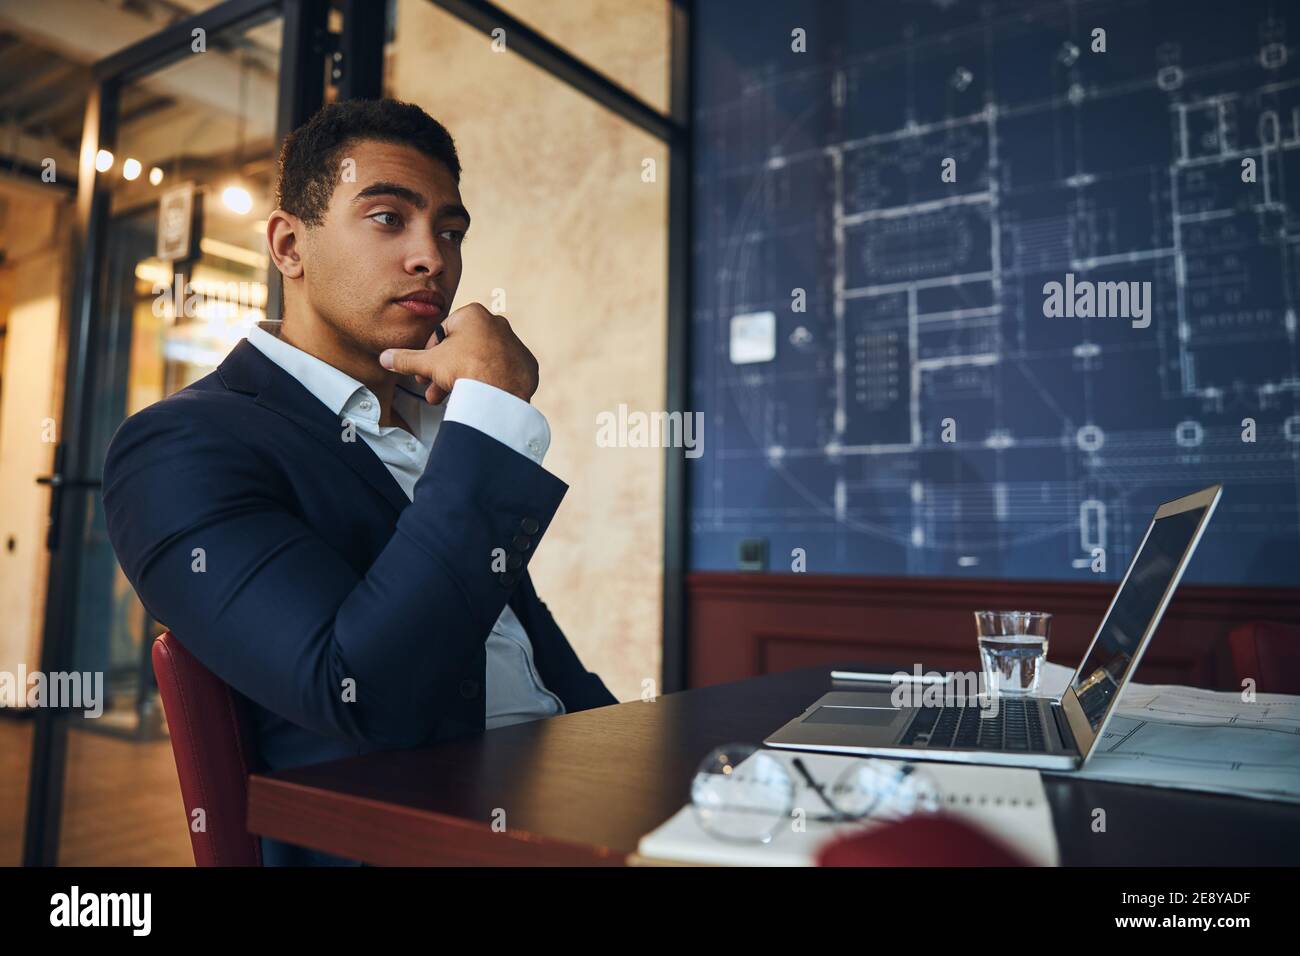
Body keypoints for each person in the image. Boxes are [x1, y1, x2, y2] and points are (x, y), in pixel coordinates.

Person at [103, 98, 617, 866]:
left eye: (450, 230)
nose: (432, 258)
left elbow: (537, 665)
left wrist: (664, 778)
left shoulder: (439, 429)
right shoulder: (182, 445)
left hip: (561, 810)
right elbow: (367, 692)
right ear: (288, 245)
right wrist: (495, 419)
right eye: (388, 219)